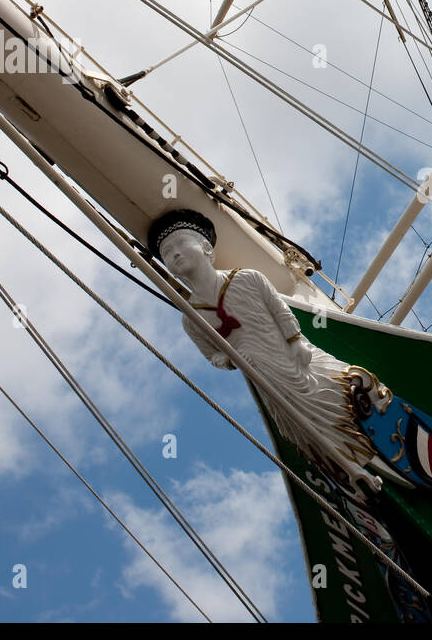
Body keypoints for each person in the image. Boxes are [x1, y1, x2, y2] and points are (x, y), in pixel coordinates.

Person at [149, 209, 388, 491]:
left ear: (206, 248)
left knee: (326, 388)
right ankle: (348, 459)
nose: (175, 254)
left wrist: (295, 340)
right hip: (262, 374)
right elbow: (211, 355)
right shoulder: (192, 319)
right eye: (166, 252)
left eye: (180, 244)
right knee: (297, 421)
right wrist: (227, 360)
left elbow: (280, 311)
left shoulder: (248, 278)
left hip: (287, 355)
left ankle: (373, 438)